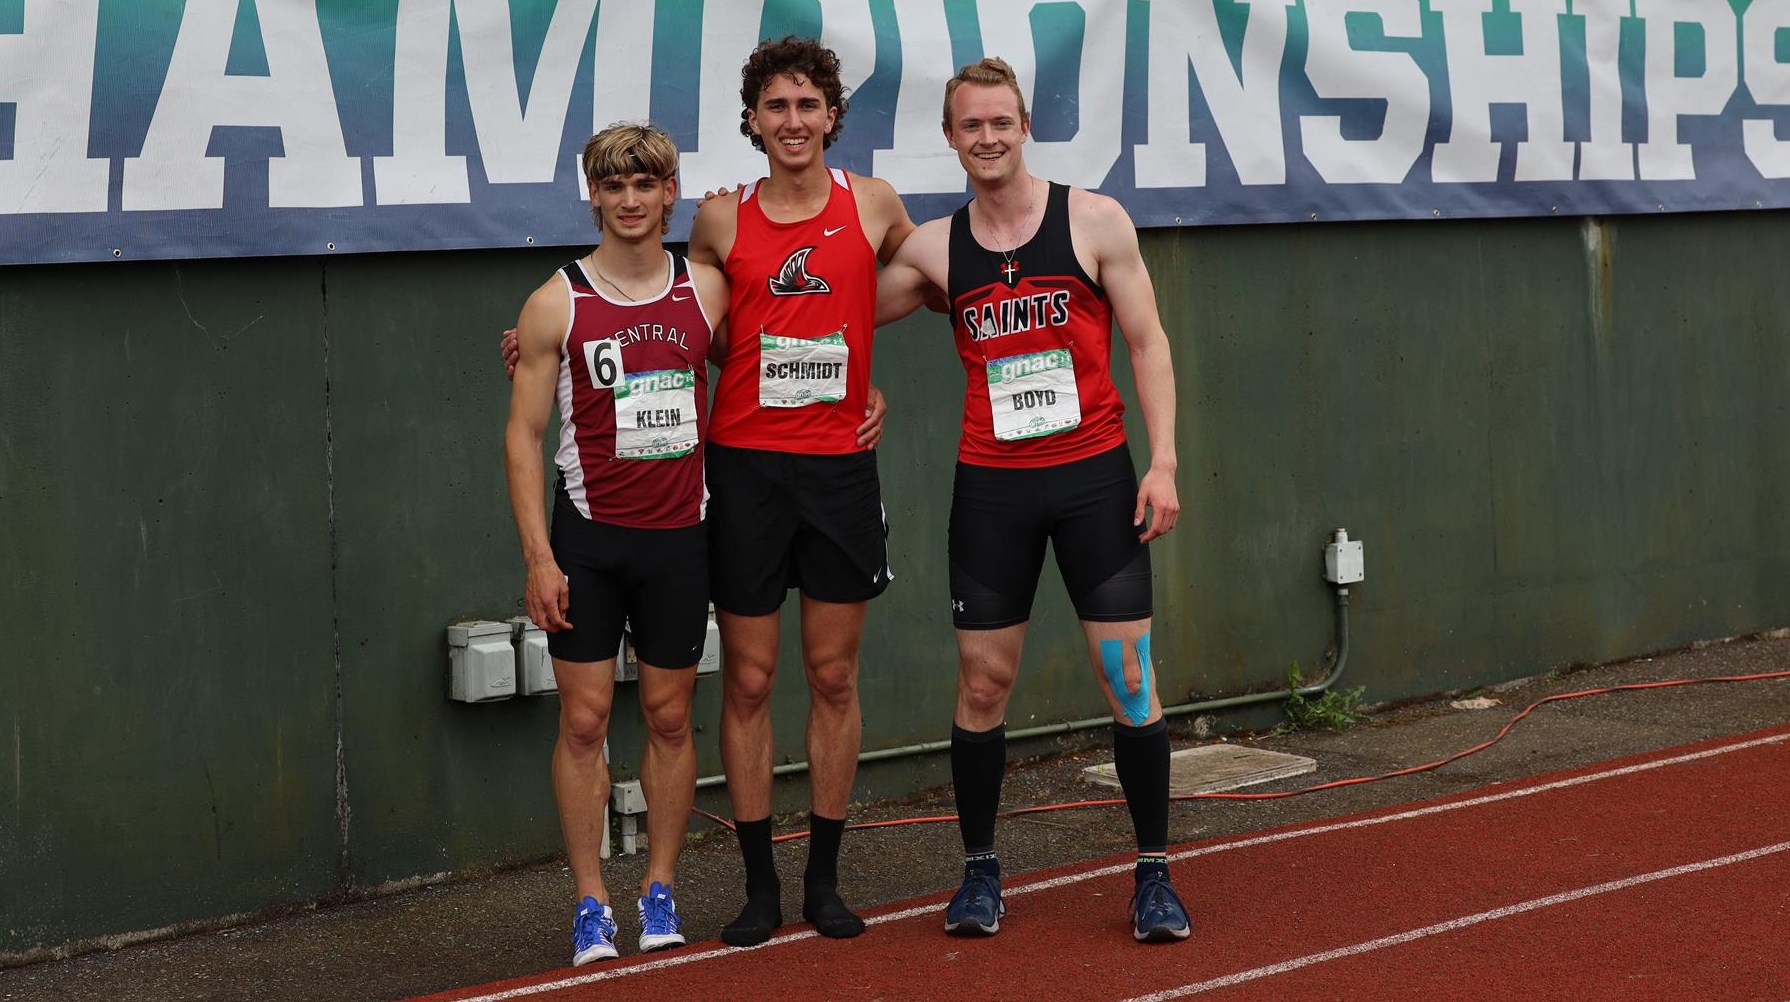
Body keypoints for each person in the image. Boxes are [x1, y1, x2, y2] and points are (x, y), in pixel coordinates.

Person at [873, 57, 1189, 943]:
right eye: (970, 126)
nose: (987, 138)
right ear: (949, 137)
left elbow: (1149, 342)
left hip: (1096, 479)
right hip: (993, 491)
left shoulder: (1093, 220)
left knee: (1129, 680)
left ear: (1024, 126)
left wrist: (1161, 462)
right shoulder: (937, 249)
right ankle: (979, 873)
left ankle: (1154, 875)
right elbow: (831, 318)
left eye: (1001, 122)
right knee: (985, 681)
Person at [686, 36, 920, 947]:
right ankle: (760, 886)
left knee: (832, 674)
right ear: (752, 120)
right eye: (776, 107)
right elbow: (681, 322)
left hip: (838, 471)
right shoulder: (717, 219)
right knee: (746, 680)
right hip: (744, 466)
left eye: (808, 105)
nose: (793, 121)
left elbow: (932, 279)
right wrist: (538, 331)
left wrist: (866, 371)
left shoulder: (873, 203)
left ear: (832, 116)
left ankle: (824, 879)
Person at [504, 122, 726, 965]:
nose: (631, 200)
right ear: (593, 195)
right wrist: (539, 555)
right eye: (615, 186)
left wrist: (864, 396)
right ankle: (591, 900)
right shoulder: (554, 301)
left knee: (670, 716)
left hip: (680, 539)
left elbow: (757, 373)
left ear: (671, 193)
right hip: (589, 542)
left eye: (647, 185)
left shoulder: (706, 290)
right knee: (586, 719)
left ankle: (660, 887)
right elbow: (522, 438)